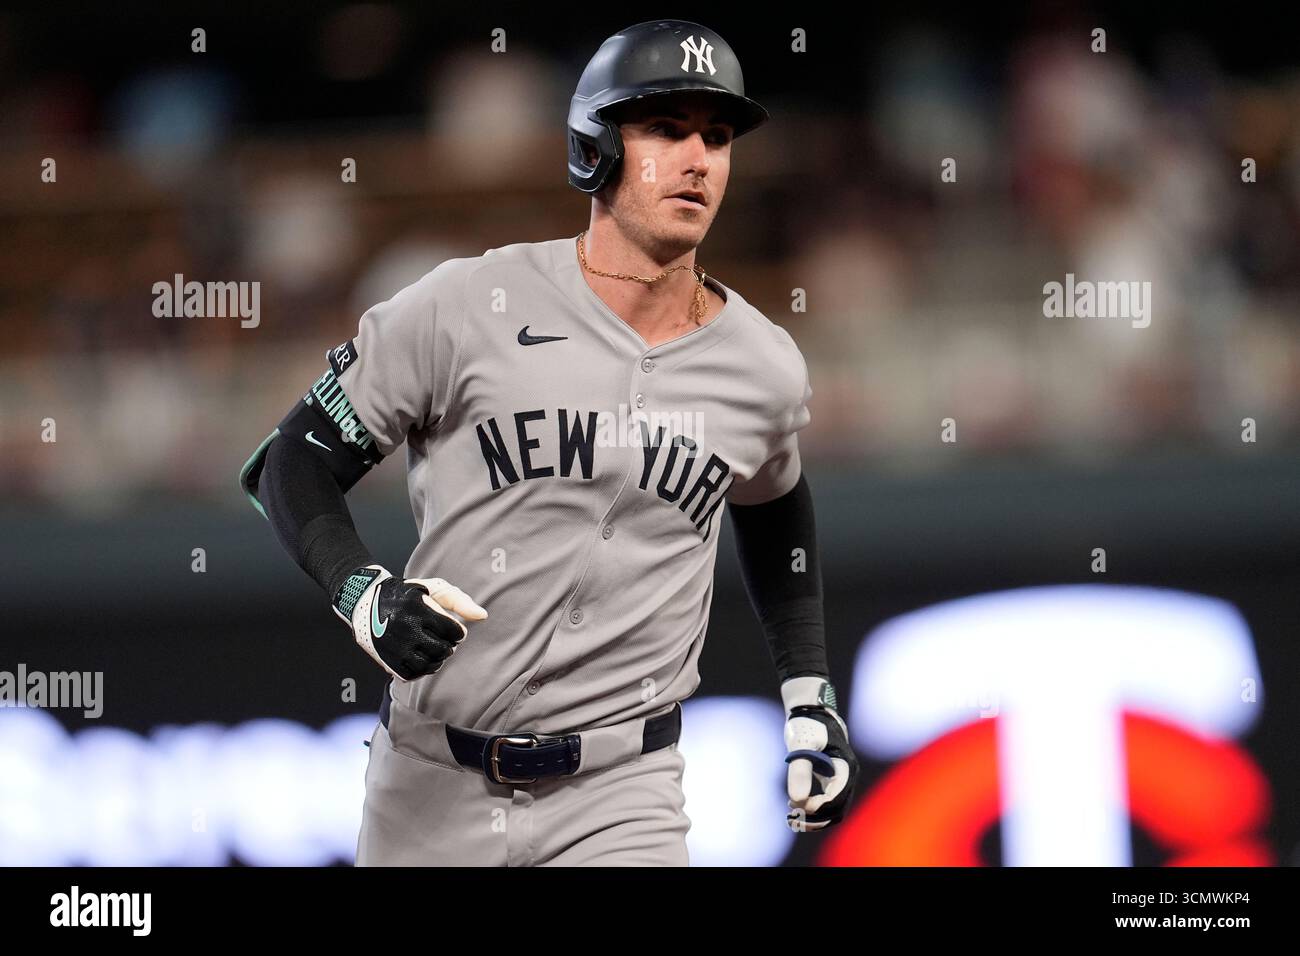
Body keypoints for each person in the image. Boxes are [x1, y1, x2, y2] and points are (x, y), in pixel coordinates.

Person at [239, 18, 858, 866]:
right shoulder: (467, 305)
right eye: (666, 130)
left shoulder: (761, 366)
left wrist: (807, 689)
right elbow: (294, 460)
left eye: (716, 137)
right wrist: (365, 595)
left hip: (621, 795)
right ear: (594, 147)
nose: (697, 159)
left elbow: (776, 505)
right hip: (429, 784)